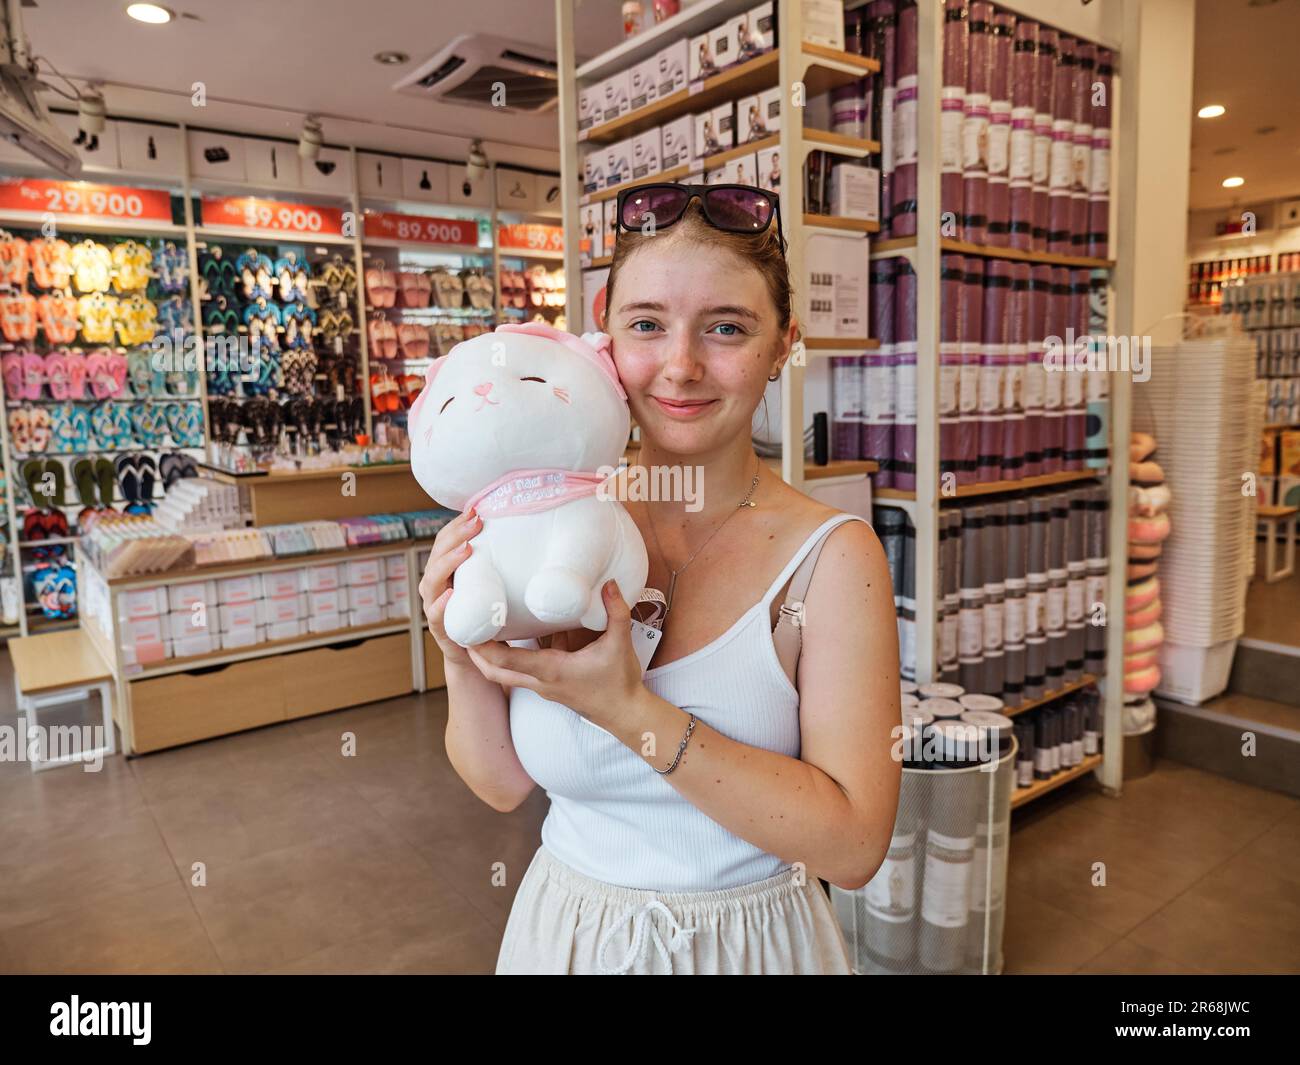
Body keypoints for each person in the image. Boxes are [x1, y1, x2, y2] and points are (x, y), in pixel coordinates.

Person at [420, 183, 901, 975]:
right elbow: (502, 784)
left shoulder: (832, 558)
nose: (680, 367)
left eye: (726, 329)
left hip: (751, 949)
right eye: (647, 325)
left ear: (783, 345)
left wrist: (628, 711)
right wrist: (452, 651)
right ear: (604, 334)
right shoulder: (539, 530)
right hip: (565, 937)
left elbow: (852, 847)